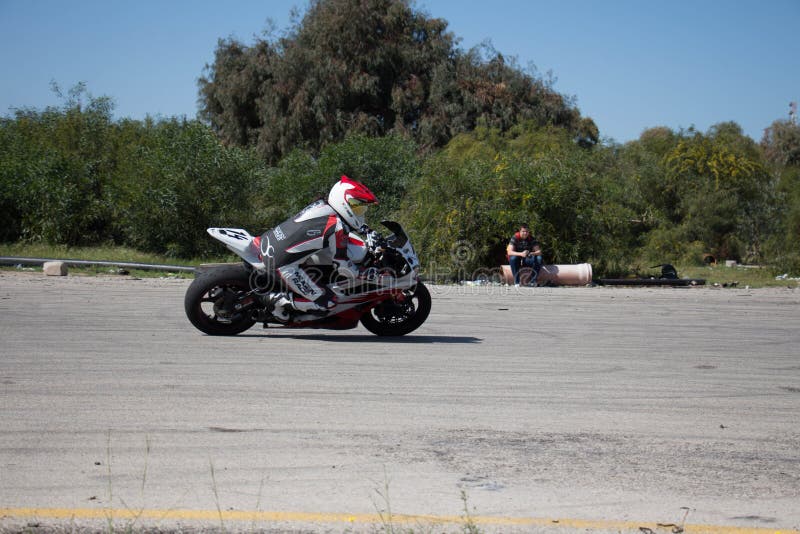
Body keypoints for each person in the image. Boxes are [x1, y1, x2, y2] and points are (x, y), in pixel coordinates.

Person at [258, 175, 378, 319]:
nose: (360, 213)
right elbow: (342, 267)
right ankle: (278, 300)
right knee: (329, 302)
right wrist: (364, 274)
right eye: (358, 208)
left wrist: (366, 230)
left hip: (268, 240)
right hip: (282, 264)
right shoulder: (337, 228)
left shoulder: (322, 206)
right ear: (344, 203)